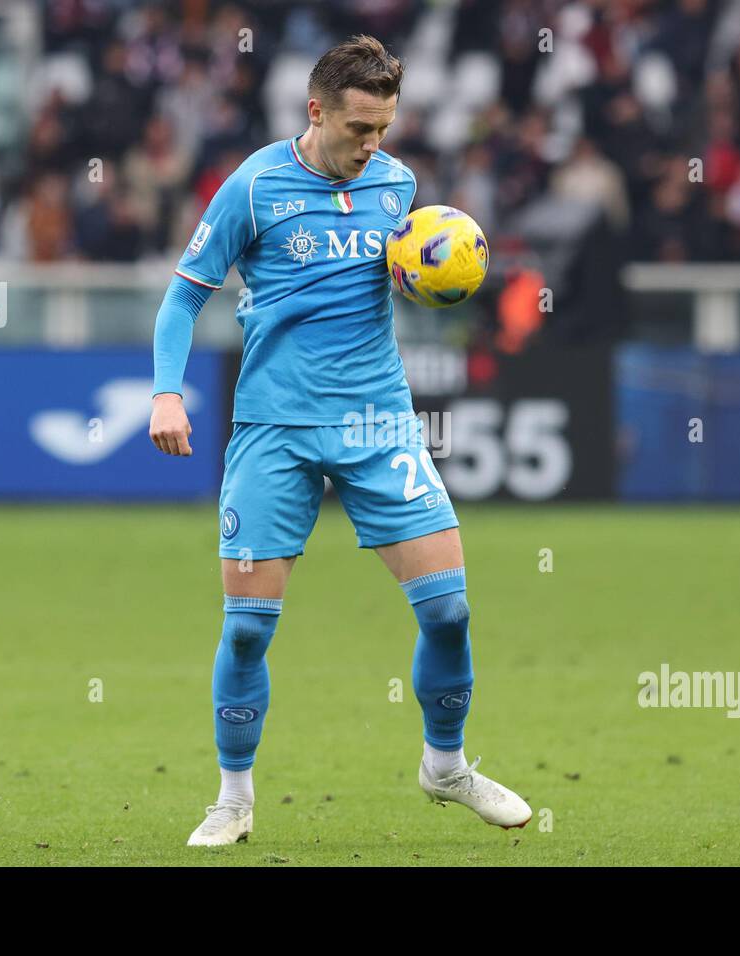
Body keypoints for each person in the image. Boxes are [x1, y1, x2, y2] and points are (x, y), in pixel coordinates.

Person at [148, 34, 531, 846]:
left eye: (384, 128)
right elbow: (182, 300)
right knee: (248, 626)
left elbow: (401, 270)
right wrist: (165, 394)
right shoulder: (253, 186)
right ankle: (234, 798)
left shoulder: (399, 187)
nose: (373, 146)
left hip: (377, 424)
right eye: (359, 128)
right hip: (274, 428)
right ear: (315, 111)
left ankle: (446, 766)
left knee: (452, 611)